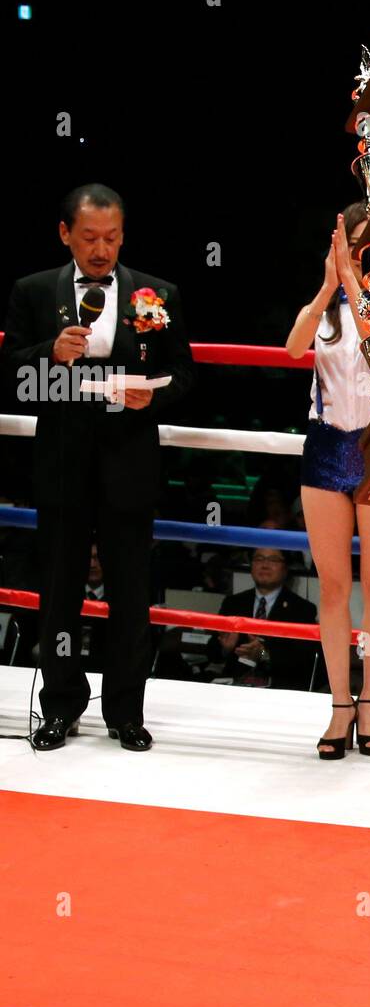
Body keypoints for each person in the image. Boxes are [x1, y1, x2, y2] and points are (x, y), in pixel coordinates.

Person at [0, 183, 194, 751]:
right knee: (59, 588)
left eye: (111, 238)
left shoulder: (159, 293)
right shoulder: (33, 292)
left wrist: (150, 397)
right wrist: (48, 354)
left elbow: (184, 374)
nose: (101, 249)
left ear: (123, 236)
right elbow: (10, 377)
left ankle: (125, 713)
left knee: (131, 593)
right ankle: (59, 706)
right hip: (61, 460)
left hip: (129, 461)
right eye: (89, 238)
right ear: (66, 235)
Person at [286, 206, 370, 758]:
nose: (356, 251)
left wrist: (354, 282)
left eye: (364, 244)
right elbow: (292, 347)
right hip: (326, 446)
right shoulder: (327, 309)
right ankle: (338, 705)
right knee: (334, 588)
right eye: (348, 242)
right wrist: (327, 286)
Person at [208, 547, 318, 690]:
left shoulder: (302, 609)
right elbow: (211, 652)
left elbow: (303, 661)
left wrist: (263, 655)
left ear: (285, 568)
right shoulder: (233, 603)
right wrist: (225, 649)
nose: (265, 565)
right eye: (259, 559)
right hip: (234, 686)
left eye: (273, 559)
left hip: (279, 688)